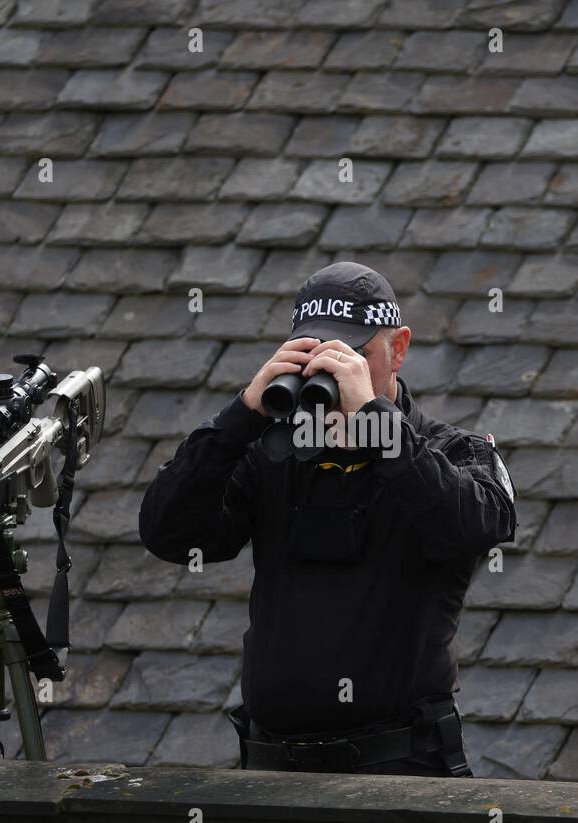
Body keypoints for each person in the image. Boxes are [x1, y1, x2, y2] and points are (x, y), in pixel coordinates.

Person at [139, 261, 517, 776]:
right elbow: (169, 534)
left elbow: (477, 528)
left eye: (354, 355)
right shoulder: (272, 454)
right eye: (316, 355)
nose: (333, 373)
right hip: (273, 771)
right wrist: (239, 418)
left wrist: (379, 426)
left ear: (398, 349)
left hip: (402, 771)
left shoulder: (452, 451)